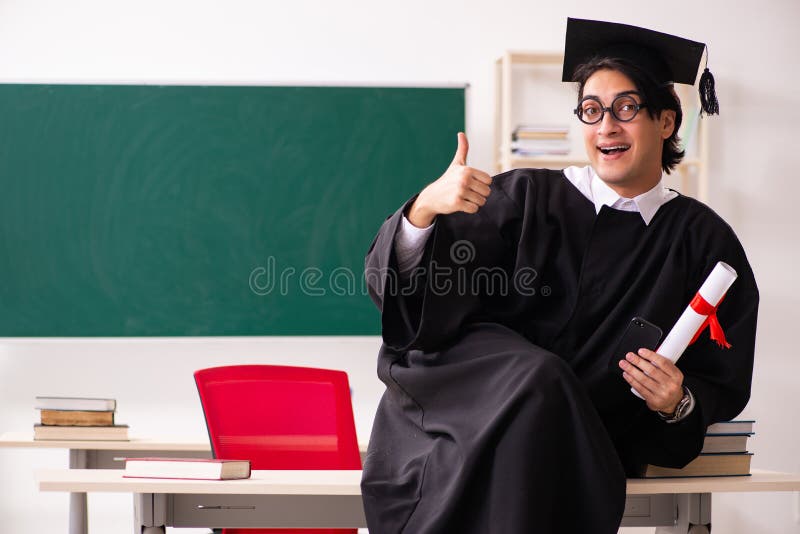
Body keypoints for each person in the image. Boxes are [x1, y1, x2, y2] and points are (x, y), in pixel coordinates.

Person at [360, 18, 758, 534]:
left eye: (626, 108)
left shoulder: (704, 243)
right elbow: (412, 304)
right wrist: (423, 214)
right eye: (591, 111)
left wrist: (676, 402)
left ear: (666, 121)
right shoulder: (521, 199)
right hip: (463, 430)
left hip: (585, 451)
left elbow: (715, 385)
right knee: (538, 376)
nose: (605, 127)